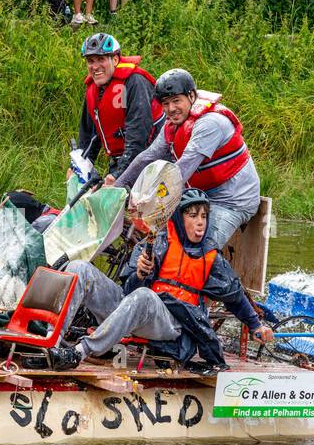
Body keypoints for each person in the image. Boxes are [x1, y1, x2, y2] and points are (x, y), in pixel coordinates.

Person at [50, 189, 273, 373]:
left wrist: (255, 325)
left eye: (204, 216)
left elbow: (235, 297)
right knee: (78, 267)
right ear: (179, 217)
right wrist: (139, 275)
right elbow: (128, 291)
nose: (200, 223)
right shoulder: (157, 241)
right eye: (192, 215)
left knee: (145, 297)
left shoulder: (211, 257)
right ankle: (52, 341)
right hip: (131, 311)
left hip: (172, 325)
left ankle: (79, 352)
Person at [111, 69, 259, 249]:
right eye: (165, 103)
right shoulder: (172, 125)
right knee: (162, 245)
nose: (171, 109)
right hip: (199, 196)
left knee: (199, 250)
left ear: (191, 96)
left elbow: (180, 172)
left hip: (232, 201)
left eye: (176, 101)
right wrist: (114, 191)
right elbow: (146, 158)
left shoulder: (210, 124)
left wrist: (144, 207)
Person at [76, 32, 162, 185]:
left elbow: (138, 137)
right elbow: (88, 136)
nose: (95, 67)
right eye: (90, 61)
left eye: (101, 59)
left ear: (115, 59)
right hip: (121, 162)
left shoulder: (135, 82)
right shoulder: (93, 90)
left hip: (150, 160)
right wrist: (78, 166)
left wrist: (118, 174)